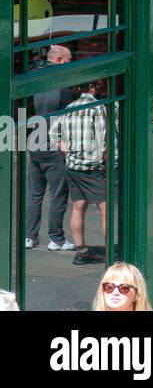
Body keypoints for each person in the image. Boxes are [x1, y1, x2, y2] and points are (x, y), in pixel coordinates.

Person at [50, 80, 108, 266]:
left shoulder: (68, 108)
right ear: (91, 88)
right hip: (93, 165)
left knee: (78, 206)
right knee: (106, 210)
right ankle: (111, 254)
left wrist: (66, 150)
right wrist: (104, 159)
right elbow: (103, 138)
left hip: (73, 166)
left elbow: (52, 135)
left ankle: (81, 251)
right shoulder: (97, 107)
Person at [24, 45, 75, 253]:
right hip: (54, 148)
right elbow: (68, 118)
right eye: (70, 59)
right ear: (60, 60)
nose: (71, 63)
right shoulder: (64, 88)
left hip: (34, 146)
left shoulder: (34, 84)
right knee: (57, 195)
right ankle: (56, 238)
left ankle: (30, 236)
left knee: (34, 195)